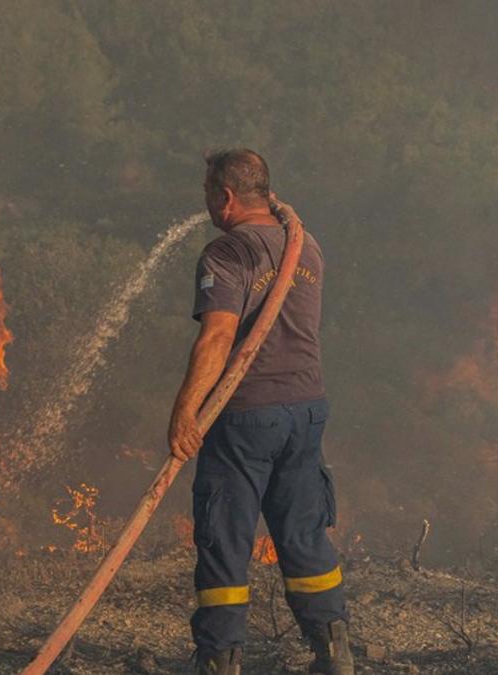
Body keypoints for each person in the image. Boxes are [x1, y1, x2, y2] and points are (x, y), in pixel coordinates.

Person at [167, 148, 353, 675]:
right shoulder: (305, 246)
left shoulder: (228, 253)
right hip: (307, 411)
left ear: (225, 197)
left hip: (247, 416)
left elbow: (219, 335)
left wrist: (185, 411)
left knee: (225, 535)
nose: (206, 205)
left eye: (208, 195)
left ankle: (220, 660)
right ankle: (334, 650)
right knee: (302, 534)